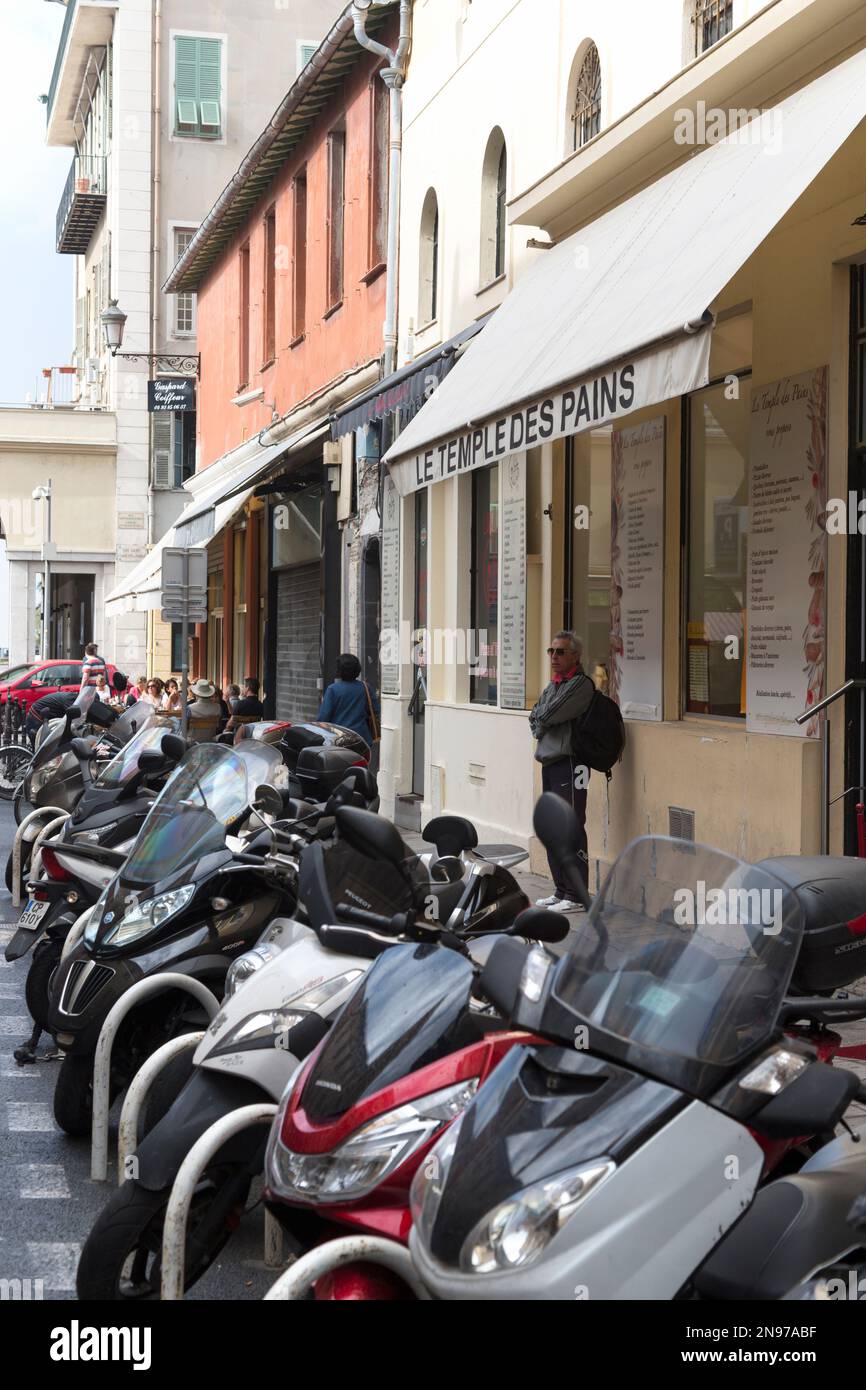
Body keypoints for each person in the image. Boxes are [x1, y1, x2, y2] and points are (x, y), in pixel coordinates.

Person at [528, 631, 595, 914]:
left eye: (561, 652)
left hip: (571, 762)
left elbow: (549, 714)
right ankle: (561, 890)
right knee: (553, 827)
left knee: (571, 825)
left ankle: (577, 894)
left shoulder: (580, 685)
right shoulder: (554, 684)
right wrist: (542, 718)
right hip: (550, 762)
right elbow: (535, 715)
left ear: (576, 656)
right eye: (551, 651)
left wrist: (543, 719)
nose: (554, 657)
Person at [318, 654, 380, 748]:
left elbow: (324, 717)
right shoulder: (365, 687)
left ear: (339, 671)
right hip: (362, 739)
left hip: (339, 739)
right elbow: (376, 709)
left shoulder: (333, 689)